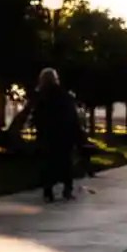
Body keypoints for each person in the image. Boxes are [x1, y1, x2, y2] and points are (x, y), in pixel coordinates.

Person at [30, 68, 84, 203]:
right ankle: (67, 189)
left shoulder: (41, 96)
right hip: (64, 135)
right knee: (65, 162)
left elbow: (36, 117)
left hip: (47, 136)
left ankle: (48, 191)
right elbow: (72, 117)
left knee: (47, 163)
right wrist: (78, 136)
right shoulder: (65, 96)